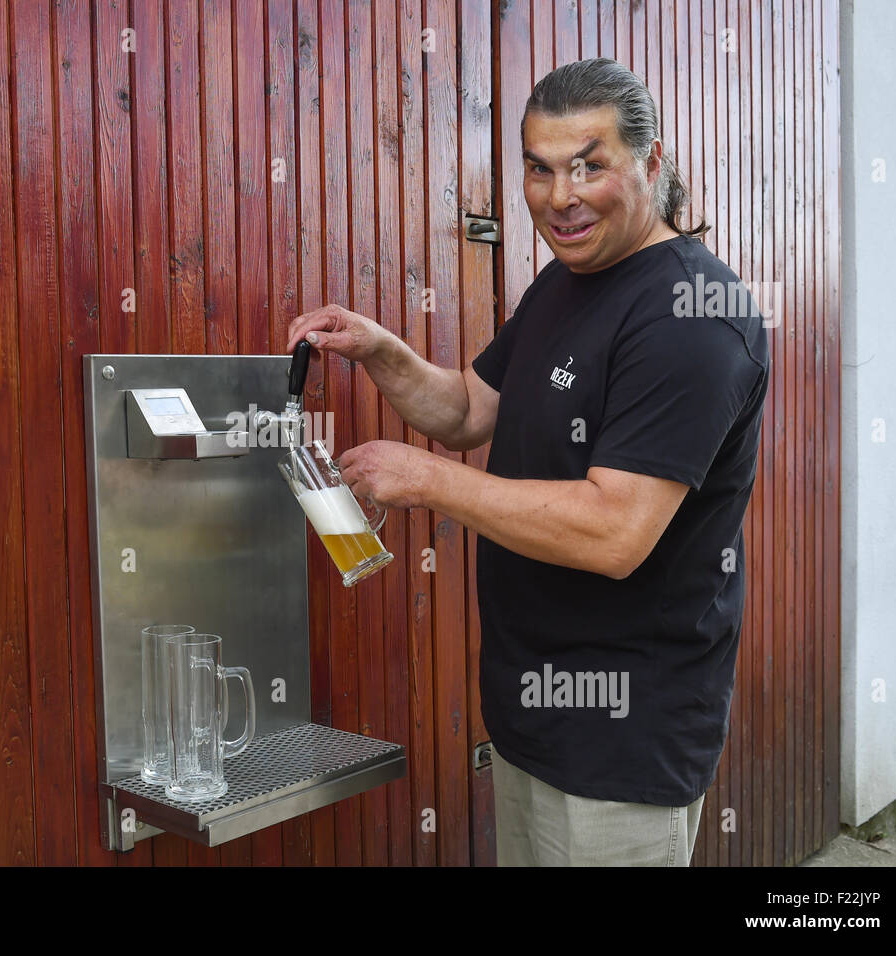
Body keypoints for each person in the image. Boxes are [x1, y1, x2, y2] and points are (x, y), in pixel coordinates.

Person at [284, 58, 770, 866]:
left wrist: (431, 481)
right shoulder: (566, 282)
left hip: (624, 743)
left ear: (651, 164)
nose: (560, 196)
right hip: (531, 715)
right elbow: (470, 409)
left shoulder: (691, 317)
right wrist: (380, 350)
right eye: (539, 170)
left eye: (590, 165)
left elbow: (616, 532)